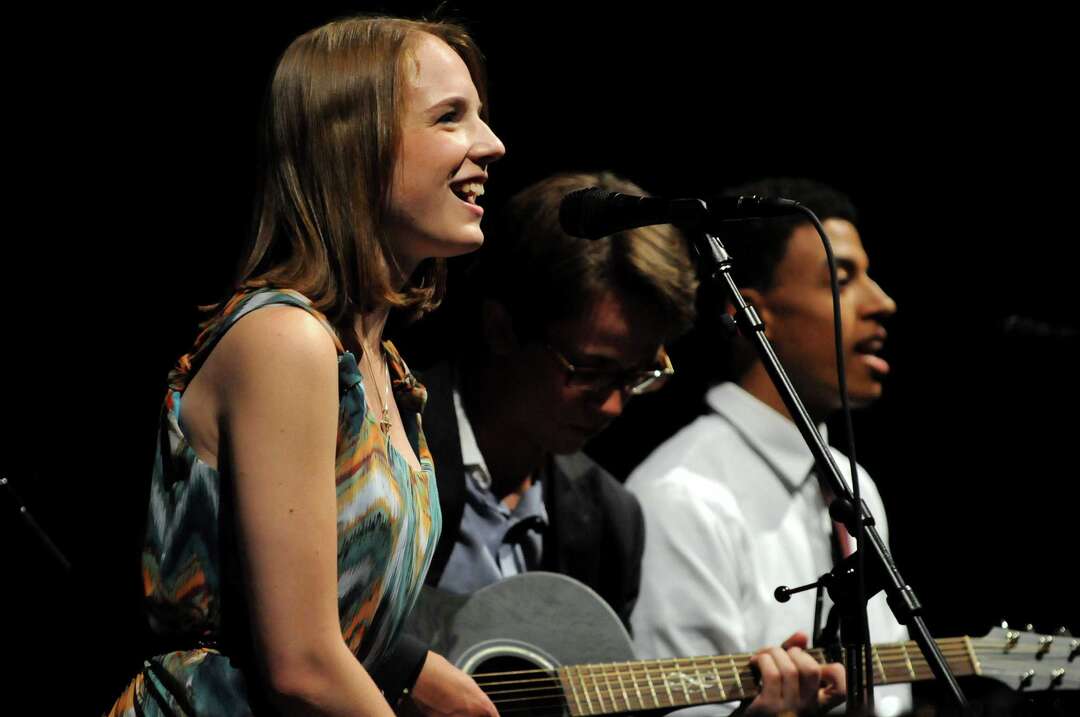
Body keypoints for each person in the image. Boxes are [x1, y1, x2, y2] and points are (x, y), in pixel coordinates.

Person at [108, 16, 506, 717]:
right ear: (357, 146)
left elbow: (320, 604)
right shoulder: (285, 340)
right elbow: (302, 664)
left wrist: (414, 665)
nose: (491, 144)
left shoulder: (380, 365)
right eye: (450, 117)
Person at [383, 171, 847, 716]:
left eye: (639, 375)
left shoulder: (607, 519)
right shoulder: (386, 444)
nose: (613, 406)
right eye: (588, 369)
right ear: (501, 327)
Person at [627, 178, 912, 716]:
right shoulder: (679, 495)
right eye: (842, 279)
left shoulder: (856, 487)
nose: (883, 303)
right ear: (750, 314)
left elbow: (889, 691)